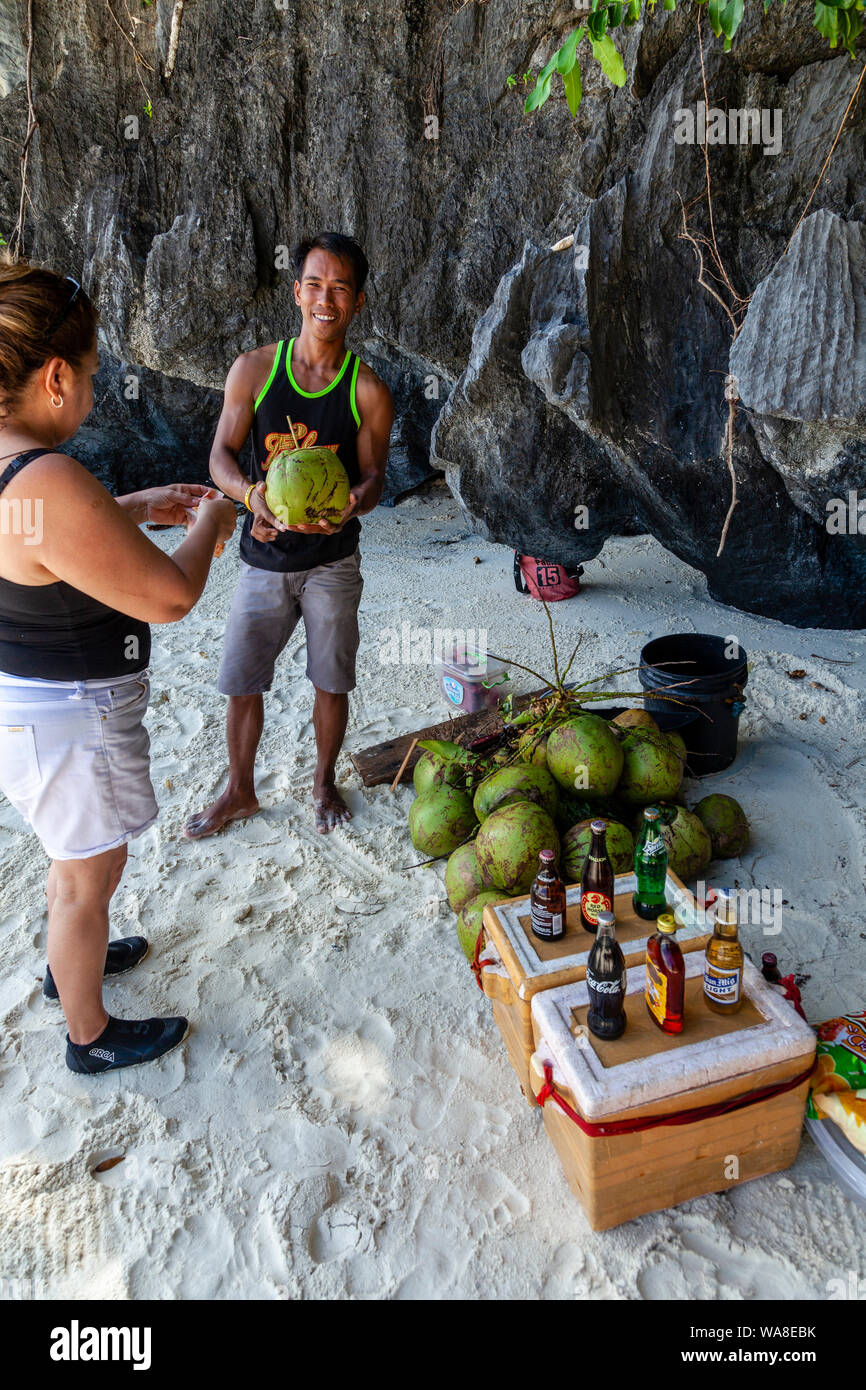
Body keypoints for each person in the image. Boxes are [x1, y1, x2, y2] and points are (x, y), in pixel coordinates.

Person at [0, 253, 237, 1074]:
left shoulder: (10, 466)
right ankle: (89, 1035)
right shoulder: (51, 474)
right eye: (93, 376)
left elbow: (39, 548)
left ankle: (77, 963)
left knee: (76, 866)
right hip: (72, 716)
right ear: (56, 376)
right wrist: (212, 522)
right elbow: (167, 598)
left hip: (32, 707)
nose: (95, 393)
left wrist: (131, 508)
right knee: (85, 876)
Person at [184, 231, 394, 839]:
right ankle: (239, 791)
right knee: (240, 679)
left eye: (341, 289)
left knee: (331, 679)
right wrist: (252, 497)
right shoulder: (254, 370)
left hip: (332, 560)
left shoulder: (367, 390)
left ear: (356, 302)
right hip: (264, 556)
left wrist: (355, 501)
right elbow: (220, 456)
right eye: (315, 285)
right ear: (297, 291)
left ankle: (324, 781)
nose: (326, 299)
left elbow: (375, 476)